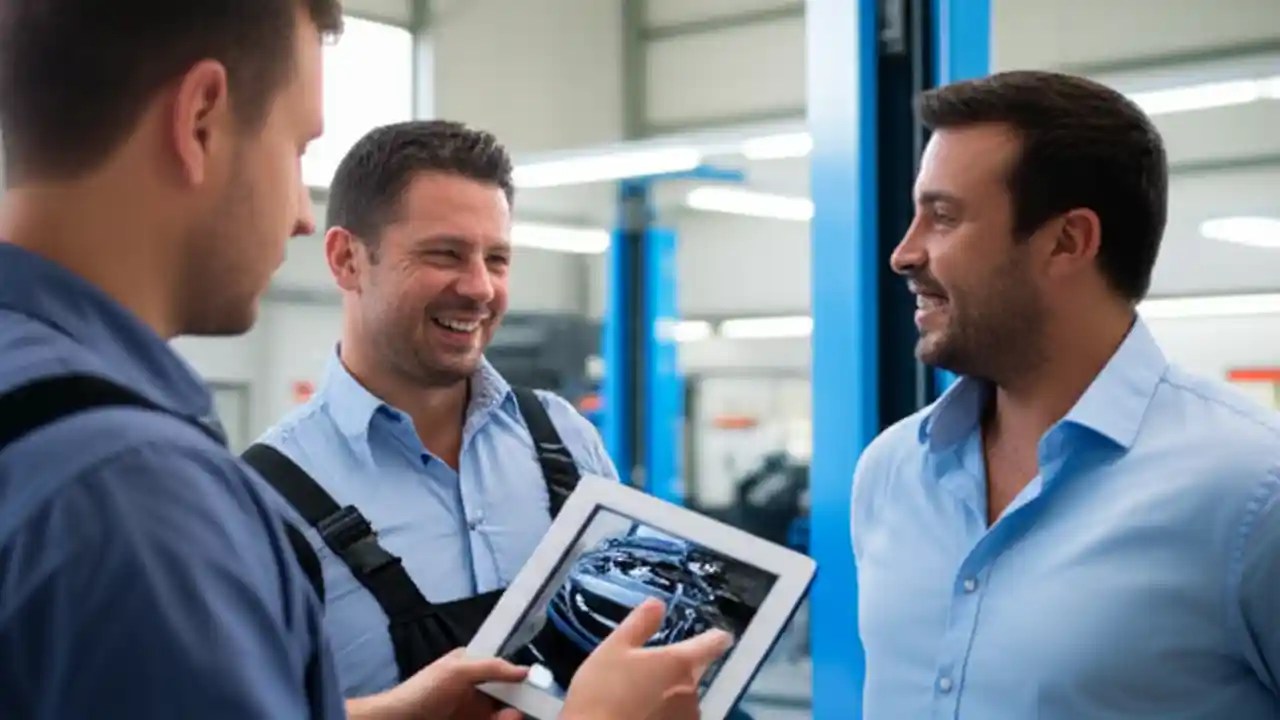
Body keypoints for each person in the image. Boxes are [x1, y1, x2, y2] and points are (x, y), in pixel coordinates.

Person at [0, 1, 728, 718]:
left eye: (497, 257)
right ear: (201, 120)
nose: (298, 213)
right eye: (295, 149)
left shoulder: (563, 438)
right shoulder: (137, 486)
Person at [243, 118, 739, 715]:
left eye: (497, 258)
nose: (479, 288)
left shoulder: (563, 440)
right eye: (445, 253)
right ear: (347, 259)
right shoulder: (263, 502)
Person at [851, 70, 1280, 719]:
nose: (904, 254)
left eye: (943, 217)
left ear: (1067, 241)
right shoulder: (891, 473)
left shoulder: (1251, 494)